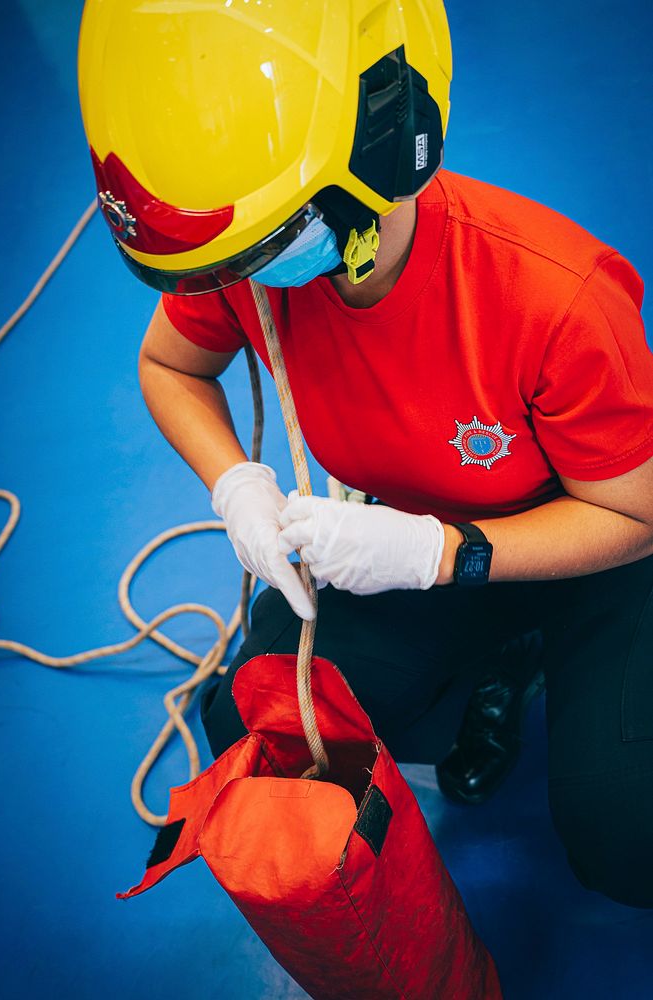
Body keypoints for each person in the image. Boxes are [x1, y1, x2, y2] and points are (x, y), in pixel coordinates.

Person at [79, 0, 653, 910]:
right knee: (255, 722)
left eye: (265, 248)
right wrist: (235, 485)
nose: (240, 279)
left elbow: (634, 516)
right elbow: (169, 365)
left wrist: (438, 553)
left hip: (591, 556)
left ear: (379, 164)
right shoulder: (245, 261)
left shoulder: (555, 299)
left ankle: (539, 662)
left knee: (625, 837)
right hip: (418, 541)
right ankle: (498, 669)